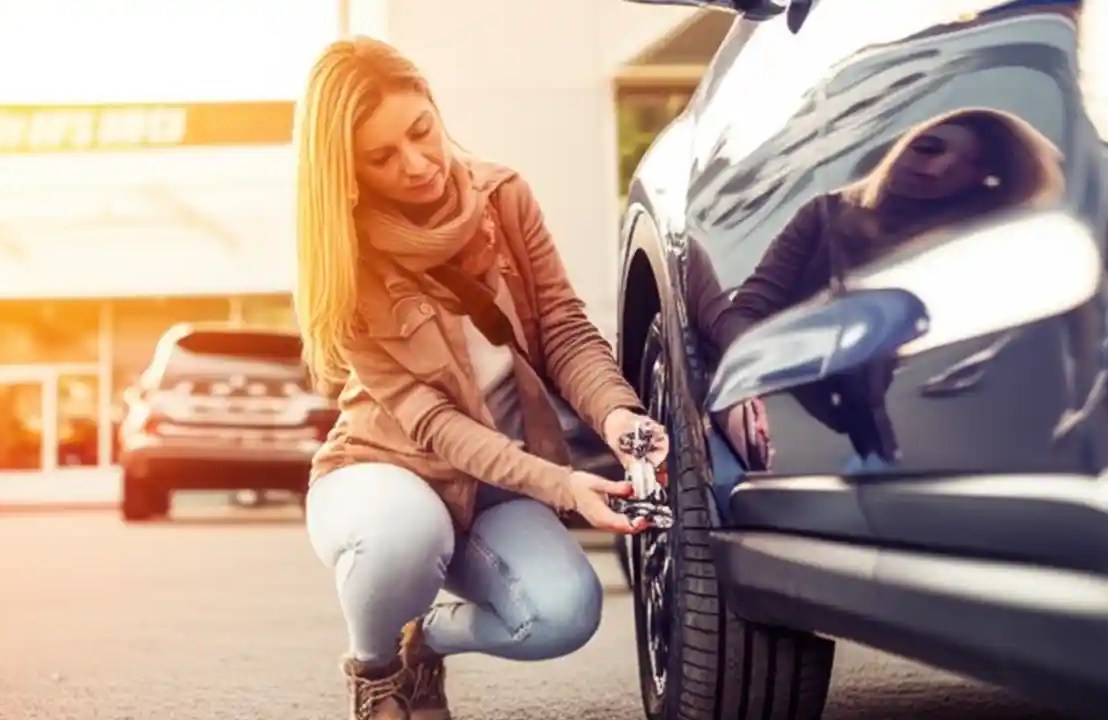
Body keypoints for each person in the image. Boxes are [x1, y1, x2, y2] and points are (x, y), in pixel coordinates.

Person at [294, 37, 669, 720]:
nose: (416, 164)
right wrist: (559, 484)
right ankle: (375, 669)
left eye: (421, 131)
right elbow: (432, 423)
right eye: (381, 158)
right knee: (400, 538)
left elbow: (562, 331)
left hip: (499, 483)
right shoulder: (345, 261)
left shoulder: (503, 198)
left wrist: (619, 415)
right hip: (387, 471)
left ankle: (422, 644)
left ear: (435, 109)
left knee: (565, 614)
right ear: (347, 172)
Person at [711, 107, 1065, 466]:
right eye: (928, 148)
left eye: (974, 165)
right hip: (798, 434)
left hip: (930, 442)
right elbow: (748, 311)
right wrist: (750, 384)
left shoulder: (980, 245)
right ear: (904, 140)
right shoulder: (825, 215)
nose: (938, 169)